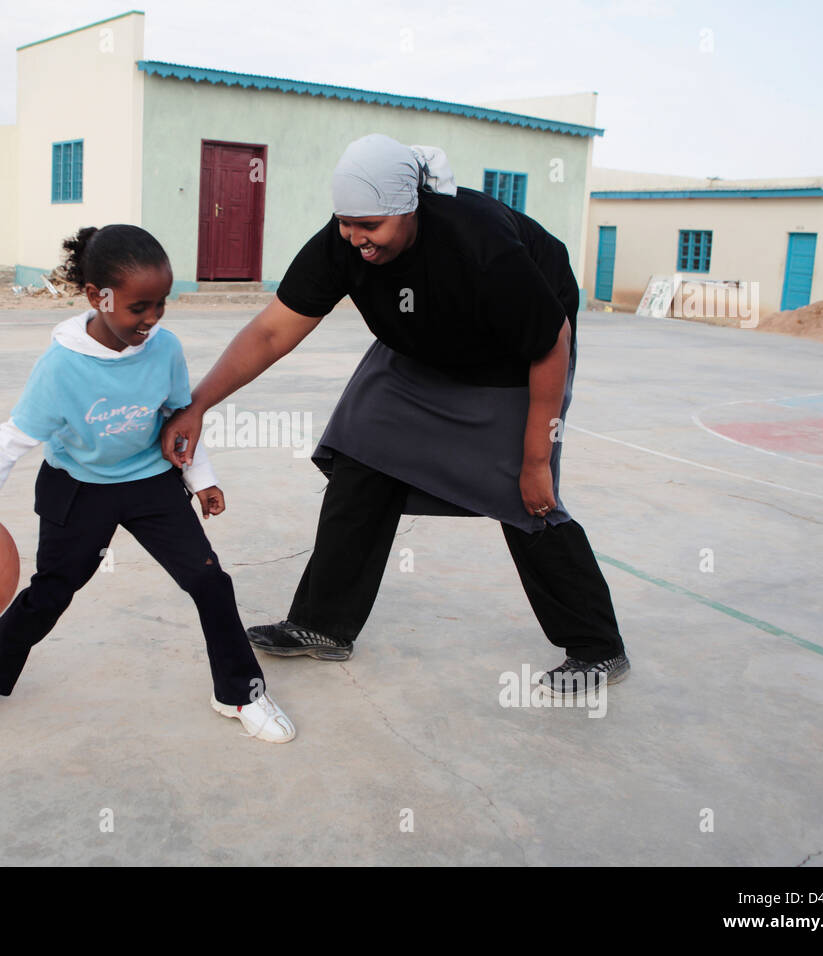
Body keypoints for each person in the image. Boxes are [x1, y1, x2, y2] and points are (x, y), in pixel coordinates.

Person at [161, 133, 629, 696]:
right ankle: (322, 624)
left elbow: (550, 344)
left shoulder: (479, 244)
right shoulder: (346, 242)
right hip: (419, 348)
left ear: (410, 208)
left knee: (527, 498)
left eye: (370, 226)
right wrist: (200, 405)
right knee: (364, 454)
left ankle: (597, 647)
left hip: (514, 358)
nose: (356, 240)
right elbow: (271, 330)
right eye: (345, 223)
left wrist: (535, 460)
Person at [0, 224, 295, 742]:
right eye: (139, 307)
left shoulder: (164, 349)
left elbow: (179, 418)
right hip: (78, 488)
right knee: (52, 592)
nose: (152, 319)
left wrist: (201, 477)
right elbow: (9, 442)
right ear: (96, 296)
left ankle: (240, 693)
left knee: (210, 582)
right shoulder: (60, 368)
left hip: (150, 481)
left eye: (162, 305)